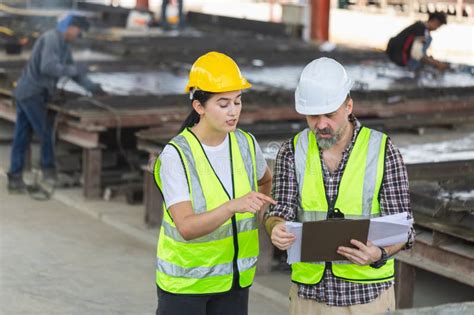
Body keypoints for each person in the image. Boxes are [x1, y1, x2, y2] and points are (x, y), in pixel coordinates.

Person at [265, 57, 415, 314]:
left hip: (367, 298)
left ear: (348, 106)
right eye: (313, 116)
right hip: (310, 297)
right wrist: (275, 227)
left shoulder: (382, 150)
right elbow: (278, 212)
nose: (321, 124)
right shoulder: (292, 151)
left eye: (330, 114)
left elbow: (404, 231)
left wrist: (378, 253)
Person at [153, 51, 276, 315]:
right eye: (223, 104)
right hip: (186, 286)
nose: (234, 112)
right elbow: (186, 227)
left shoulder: (245, 143)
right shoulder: (177, 155)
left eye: (238, 102)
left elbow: (266, 181)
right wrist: (233, 206)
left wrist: (265, 216)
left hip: (235, 282)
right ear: (199, 107)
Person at [7, 13, 104, 192]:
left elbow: (73, 73)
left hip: (28, 93)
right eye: (78, 32)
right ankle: (49, 172)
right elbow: (48, 67)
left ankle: (15, 178)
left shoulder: (65, 45)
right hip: (31, 93)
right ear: (71, 28)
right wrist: (74, 69)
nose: (78, 36)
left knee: (22, 136)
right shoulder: (51, 38)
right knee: (45, 133)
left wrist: (92, 87)